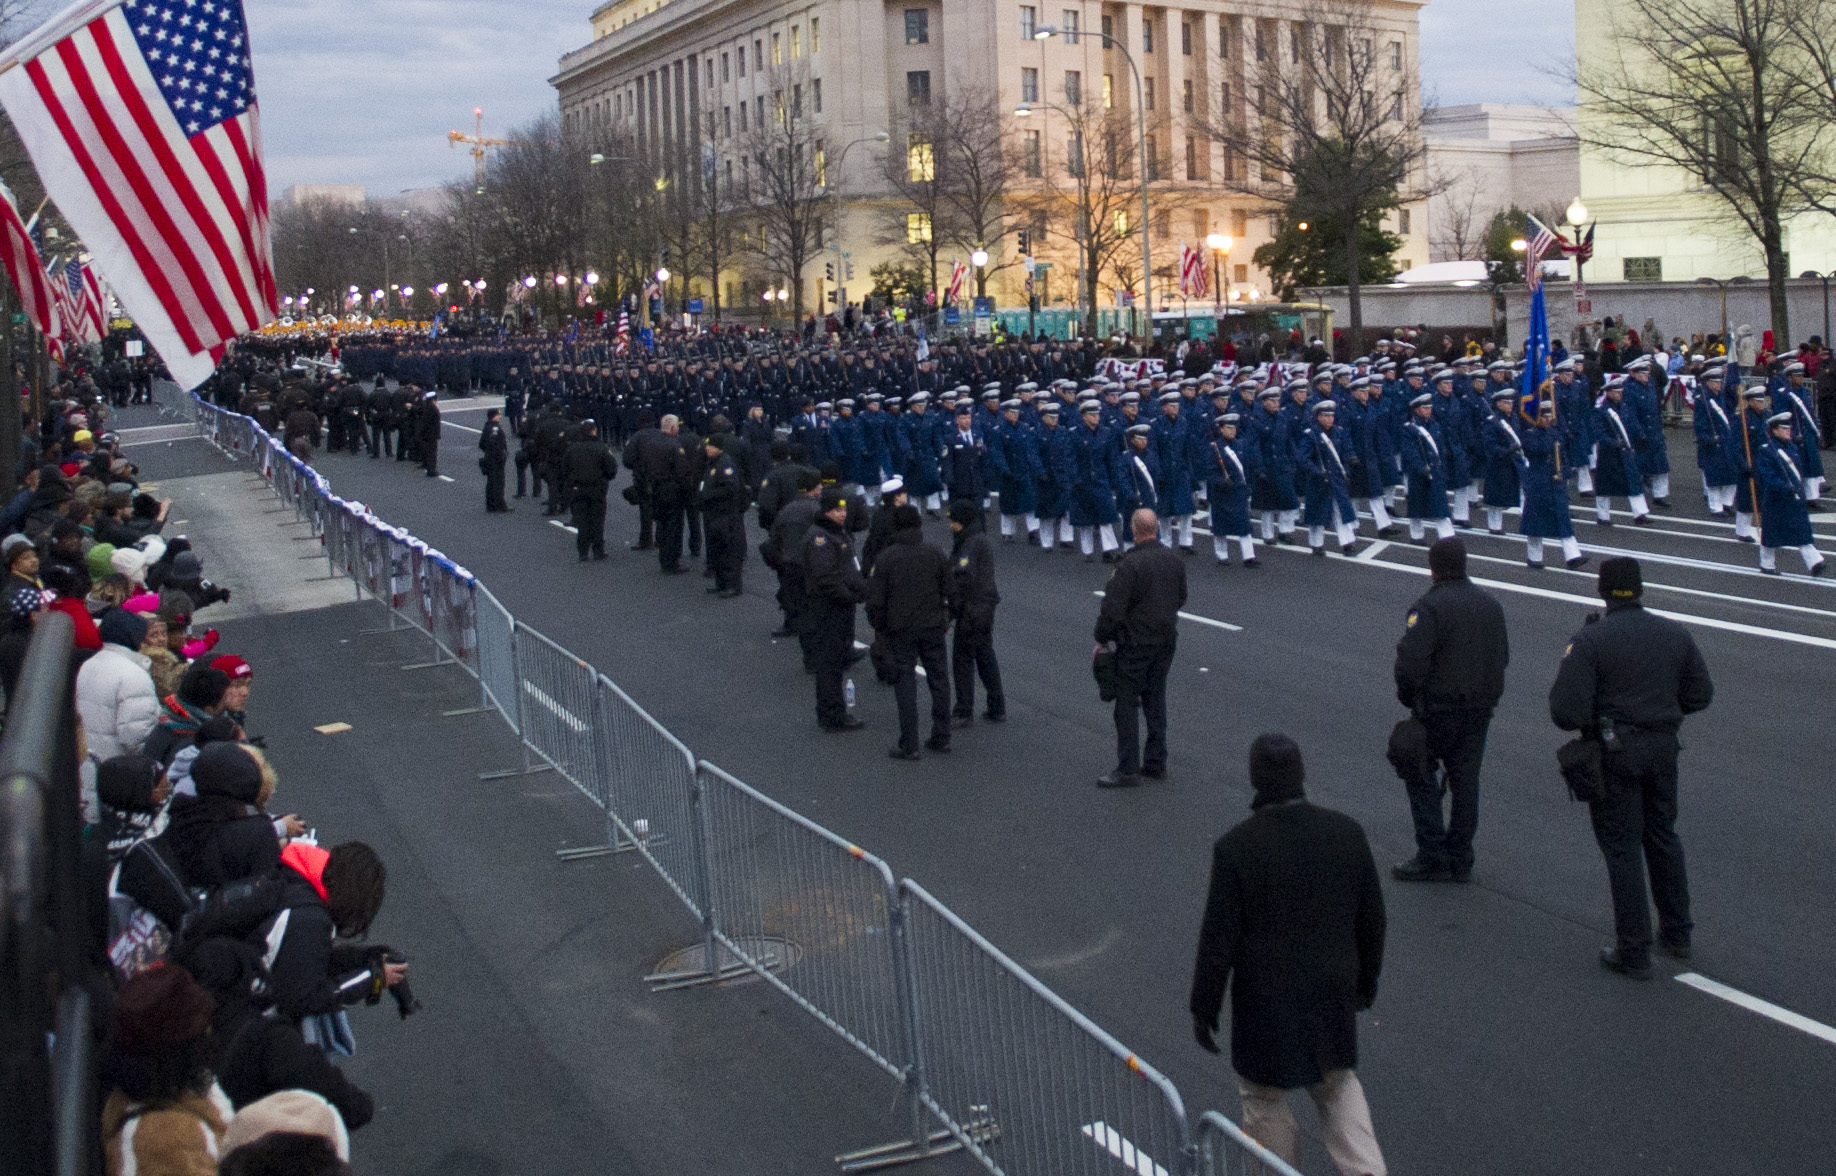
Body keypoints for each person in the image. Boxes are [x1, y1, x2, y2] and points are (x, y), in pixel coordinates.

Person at [1189, 734, 1388, 1176]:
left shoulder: (1236, 849)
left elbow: (1217, 943)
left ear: (1255, 778)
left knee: (1263, 1101)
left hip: (1267, 1008)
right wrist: (1364, 985)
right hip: (1330, 995)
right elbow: (1372, 920)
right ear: (1301, 774)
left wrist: (1204, 1011)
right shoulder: (1346, 833)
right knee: (1337, 1089)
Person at [1550, 557, 1713, 979]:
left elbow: (1565, 711)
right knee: (1663, 836)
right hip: (1663, 746)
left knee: (1622, 849)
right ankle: (1677, 934)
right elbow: (1700, 695)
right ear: (1640, 590)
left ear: (1603, 592)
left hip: (1615, 750)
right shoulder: (1675, 633)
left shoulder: (1591, 640)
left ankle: (1633, 949)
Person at [1390, 538, 1508, 882]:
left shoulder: (1428, 608)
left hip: (1438, 709)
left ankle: (1432, 853)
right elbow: (1502, 657)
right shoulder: (1491, 604)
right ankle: (1461, 857)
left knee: (1419, 770)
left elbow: (1411, 664)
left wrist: (1411, 699)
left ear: (1433, 568)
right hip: (1479, 708)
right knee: (1466, 782)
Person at [100, 965, 232, 1176]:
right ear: (179, 1051)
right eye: (200, 1030)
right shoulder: (166, 1138)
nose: (209, 1032)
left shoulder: (176, 1104)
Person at [1093, 509, 1186, 788]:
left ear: (1134, 530)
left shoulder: (1129, 565)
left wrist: (1102, 637)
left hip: (1135, 642)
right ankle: (1156, 762)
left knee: (1126, 702)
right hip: (1165, 639)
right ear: (1156, 528)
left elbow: (1112, 608)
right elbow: (1181, 598)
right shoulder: (1174, 560)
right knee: (1156, 699)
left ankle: (1128, 767)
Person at [865, 504, 953, 759]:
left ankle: (909, 743)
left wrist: (880, 627)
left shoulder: (888, 558)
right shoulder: (935, 553)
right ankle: (941, 735)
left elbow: (876, 600)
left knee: (904, 684)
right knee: (939, 679)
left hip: (900, 629)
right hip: (933, 625)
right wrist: (945, 617)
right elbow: (950, 589)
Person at [799, 486, 867, 731]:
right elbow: (827, 578)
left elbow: (850, 567)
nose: (842, 514)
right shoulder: (820, 538)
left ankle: (835, 711)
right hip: (828, 609)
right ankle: (831, 715)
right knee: (829, 664)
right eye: (836, 510)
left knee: (837, 661)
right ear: (826, 511)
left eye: (844, 509)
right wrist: (850, 595)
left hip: (841, 607)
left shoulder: (837, 533)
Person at [76, 607, 160, 762]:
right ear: (134, 638)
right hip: (120, 770)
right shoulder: (134, 675)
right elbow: (135, 738)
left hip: (88, 763)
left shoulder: (88, 664)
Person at [947, 499, 1004, 724]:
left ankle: (963, 709)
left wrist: (951, 608)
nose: (951, 525)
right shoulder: (978, 539)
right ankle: (996, 705)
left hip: (972, 608)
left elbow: (963, 577)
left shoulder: (970, 543)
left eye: (953, 520)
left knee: (962, 658)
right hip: (985, 607)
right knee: (985, 654)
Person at [699, 433, 749, 597]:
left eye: (710, 446)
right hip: (714, 513)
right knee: (717, 550)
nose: (707, 448)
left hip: (726, 513)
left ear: (717, 447)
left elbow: (730, 487)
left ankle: (732, 586)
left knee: (729, 551)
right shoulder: (713, 462)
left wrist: (709, 494)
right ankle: (721, 583)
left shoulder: (726, 463)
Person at [563, 419, 618, 562]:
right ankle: (598, 550)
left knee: (582, 520)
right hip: (597, 488)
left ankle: (582, 552)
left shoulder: (572, 448)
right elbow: (611, 468)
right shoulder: (601, 448)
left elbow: (564, 469)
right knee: (597, 520)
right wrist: (604, 478)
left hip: (578, 488)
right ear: (594, 431)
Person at [479, 407, 510, 512]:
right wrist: (501, 454)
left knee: (491, 482)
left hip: (490, 458)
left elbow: (482, 444)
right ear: (493, 416)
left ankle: (491, 505)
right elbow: (495, 444)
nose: (500, 416)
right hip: (496, 459)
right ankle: (499, 505)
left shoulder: (487, 426)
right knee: (498, 482)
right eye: (498, 415)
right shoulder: (494, 429)